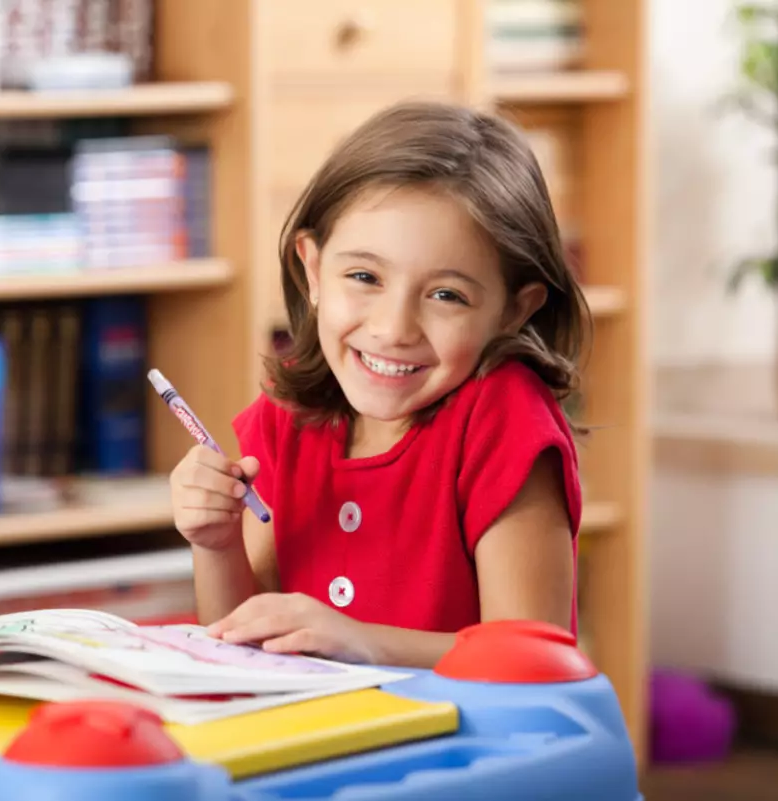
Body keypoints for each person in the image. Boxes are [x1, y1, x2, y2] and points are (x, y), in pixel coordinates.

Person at [169, 101, 590, 668]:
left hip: (468, 752)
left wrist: (362, 641)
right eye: (364, 277)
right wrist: (215, 546)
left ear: (515, 311)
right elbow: (242, 640)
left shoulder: (504, 419)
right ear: (313, 270)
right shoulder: (285, 417)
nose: (393, 329)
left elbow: (532, 657)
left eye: (446, 295)